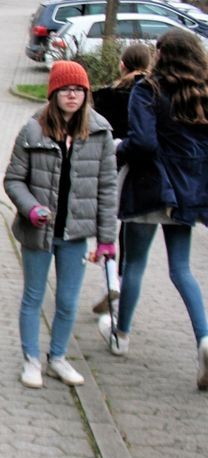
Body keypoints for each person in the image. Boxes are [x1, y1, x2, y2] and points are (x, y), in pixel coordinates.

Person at [4, 61, 118, 389]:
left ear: (86, 94)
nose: (72, 95)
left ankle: (58, 357)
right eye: (66, 89)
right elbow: (13, 179)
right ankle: (31, 360)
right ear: (53, 93)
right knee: (33, 296)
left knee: (68, 301)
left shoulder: (100, 132)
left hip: (75, 234)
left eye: (79, 89)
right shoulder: (32, 129)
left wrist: (107, 240)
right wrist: (31, 208)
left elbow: (108, 188)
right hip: (38, 233)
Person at [107, 29, 208, 390]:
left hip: (150, 186)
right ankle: (204, 339)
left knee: (135, 263)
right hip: (187, 191)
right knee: (181, 269)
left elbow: (145, 143)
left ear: (161, 54)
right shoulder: (201, 93)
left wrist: (117, 150)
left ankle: (122, 335)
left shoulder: (147, 90)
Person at [90, 43, 153, 322]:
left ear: (122, 64)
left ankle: (111, 281)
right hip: (142, 174)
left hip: (111, 166)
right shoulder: (154, 94)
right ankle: (120, 281)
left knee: (105, 228)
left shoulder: (106, 96)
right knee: (129, 234)